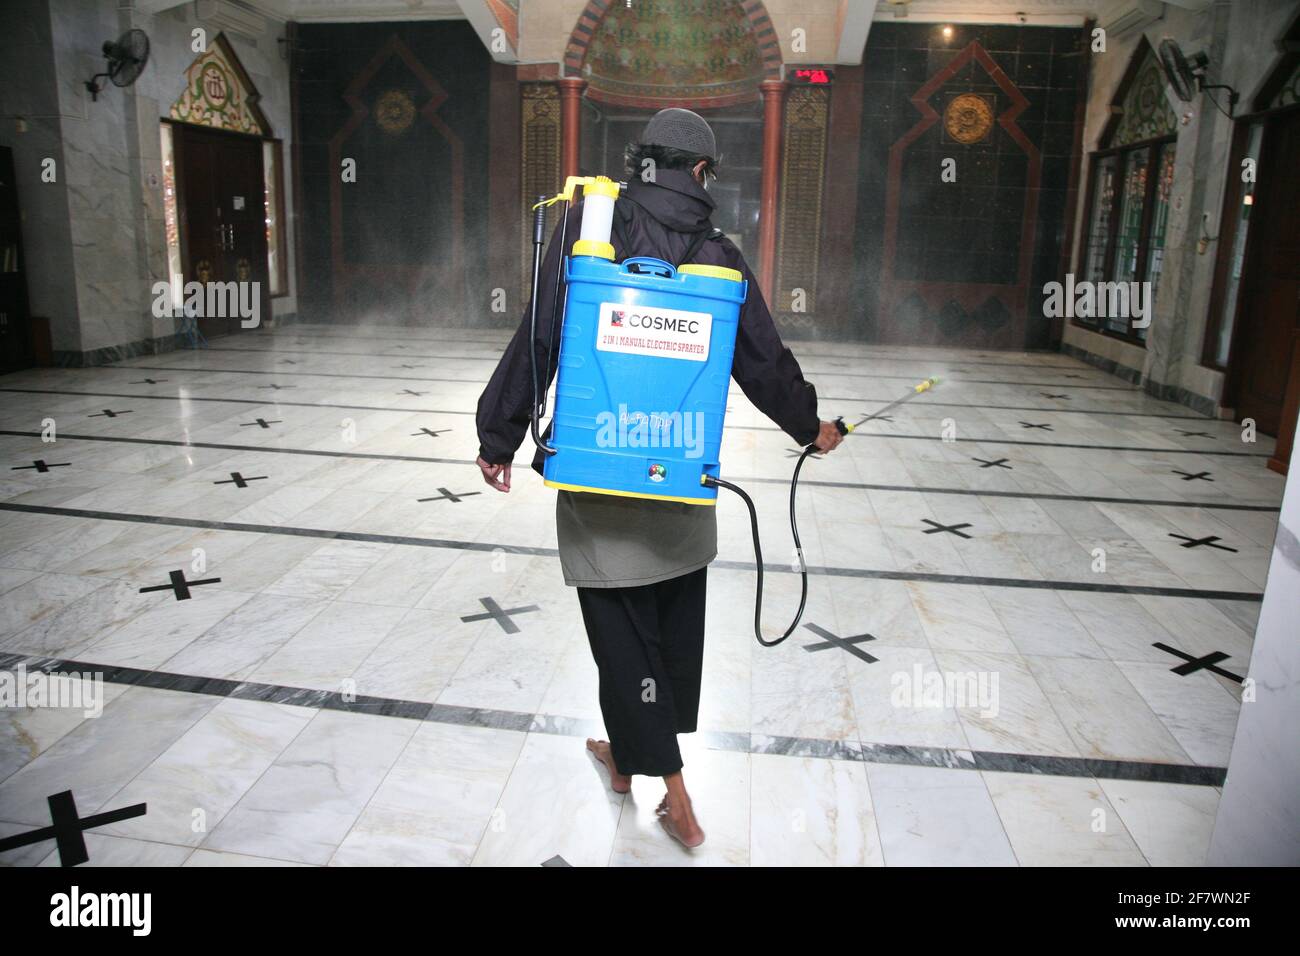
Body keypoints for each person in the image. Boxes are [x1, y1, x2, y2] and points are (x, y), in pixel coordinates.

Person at [475, 108, 842, 848]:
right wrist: (811, 426)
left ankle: (674, 792)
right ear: (703, 174)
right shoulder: (720, 253)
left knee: (621, 637)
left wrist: (498, 433)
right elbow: (763, 360)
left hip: (596, 470)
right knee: (669, 632)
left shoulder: (594, 229)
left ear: (641, 162)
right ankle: (625, 761)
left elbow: (540, 331)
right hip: (678, 473)